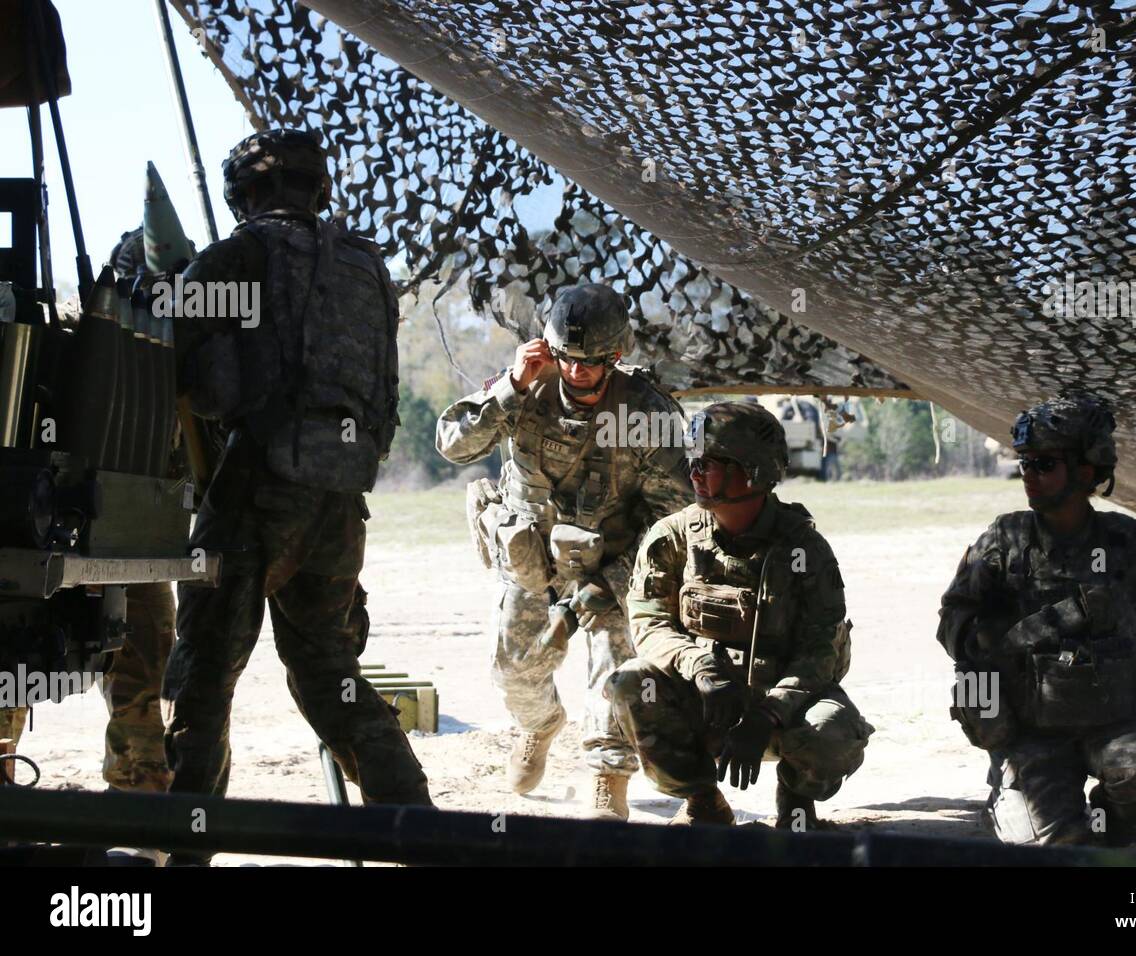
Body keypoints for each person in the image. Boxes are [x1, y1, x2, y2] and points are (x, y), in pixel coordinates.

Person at [160, 129, 431, 863]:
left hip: (260, 492)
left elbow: (167, 337)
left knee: (206, 677)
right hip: (342, 500)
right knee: (328, 674)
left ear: (244, 195)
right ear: (321, 189)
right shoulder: (366, 265)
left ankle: (182, 849)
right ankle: (419, 832)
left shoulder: (247, 253)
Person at [937, 391, 1136, 846]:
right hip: (1032, 737)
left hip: (1116, 725)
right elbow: (952, 624)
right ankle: (1030, 804)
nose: (1030, 475)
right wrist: (998, 636)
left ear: (1086, 471)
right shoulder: (1005, 540)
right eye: (1025, 463)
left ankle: (1114, 819)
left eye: (1045, 464)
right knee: (1052, 845)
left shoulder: (1124, 540)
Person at [437, 283, 692, 820]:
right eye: (566, 358)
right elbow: (453, 444)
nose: (577, 372)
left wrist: (615, 583)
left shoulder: (646, 413)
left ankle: (608, 779)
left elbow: (674, 521)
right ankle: (539, 726)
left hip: (612, 566)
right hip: (532, 563)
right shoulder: (523, 389)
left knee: (616, 676)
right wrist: (508, 387)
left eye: (592, 362)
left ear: (615, 355)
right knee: (515, 672)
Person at [608, 401, 872, 828]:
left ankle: (797, 800)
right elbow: (649, 623)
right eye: (692, 460)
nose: (694, 472)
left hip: (784, 706)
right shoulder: (672, 537)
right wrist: (700, 669)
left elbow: (820, 650)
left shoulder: (803, 549)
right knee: (633, 683)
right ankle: (702, 799)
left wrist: (770, 713)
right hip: (705, 698)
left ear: (752, 470)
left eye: (709, 463)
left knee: (834, 731)